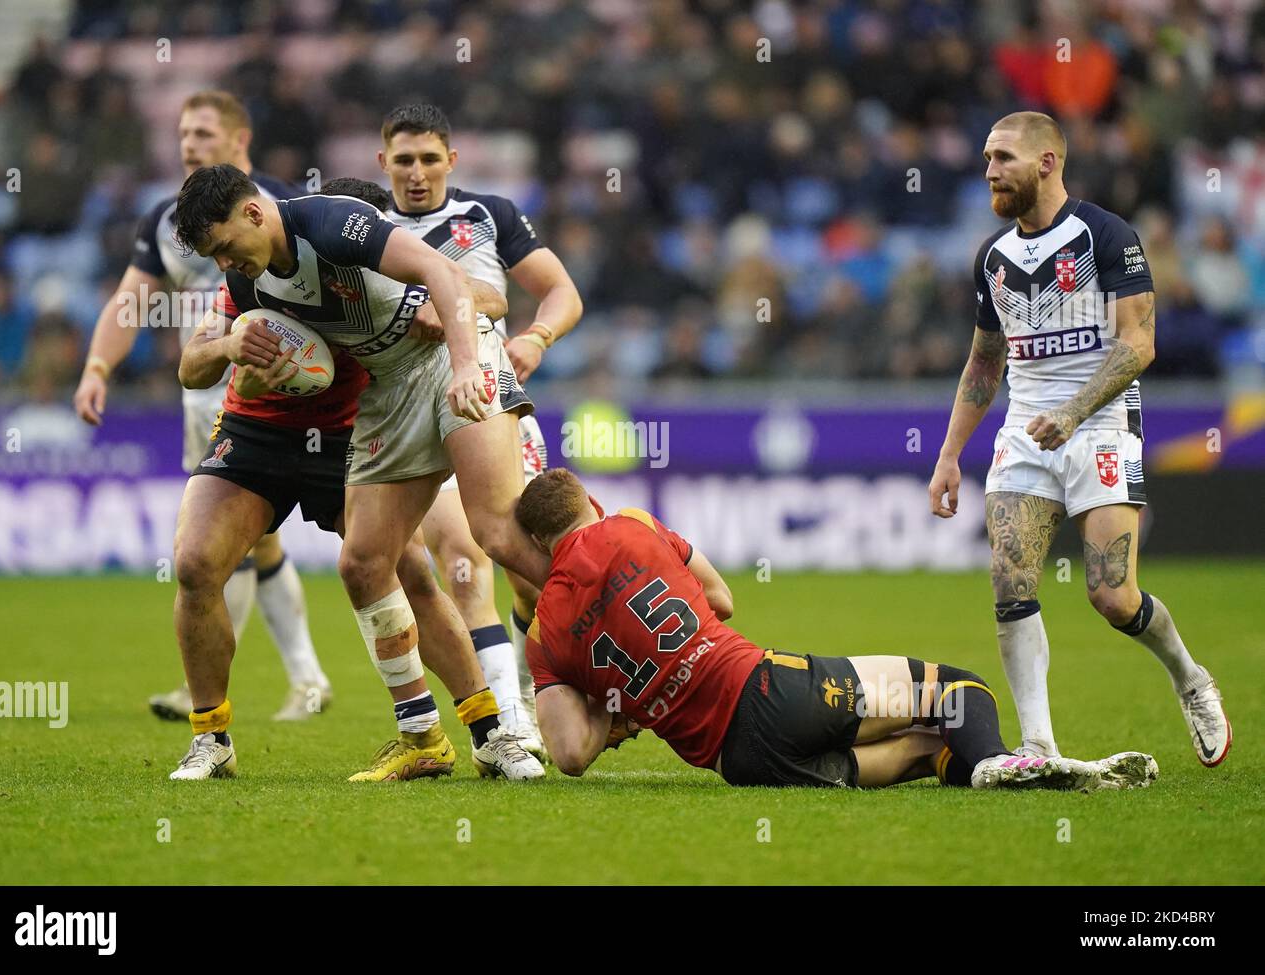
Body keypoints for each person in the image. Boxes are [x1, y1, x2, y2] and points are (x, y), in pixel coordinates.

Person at [172, 165, 554, 780]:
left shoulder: (340, 229)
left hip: (371, 415)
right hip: (272, 429)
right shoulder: (245, 281)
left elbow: (468, 287)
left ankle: (506, 720)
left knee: (464, 550)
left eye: (222, 249)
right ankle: (214, 740)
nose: (223, 264)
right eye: (212, 255)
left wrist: (459, 351)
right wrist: (227, 348)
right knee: (206, 563)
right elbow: (191, 364)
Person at [517, 469, 1157, 792]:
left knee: (925, 745)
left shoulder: (546, 631)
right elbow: (722, 599)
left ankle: (985, 770)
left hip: (736, 763)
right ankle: (998, 763)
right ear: (589, 506)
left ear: (543, 547)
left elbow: (571, 752)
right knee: (959, 692)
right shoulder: (629, 522)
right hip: (767, 690)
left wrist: (627, 709)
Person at [927, 111, 1231, 766]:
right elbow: (984, 363)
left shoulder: (1107, 235)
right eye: (985, 157)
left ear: (1046, 162)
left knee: (1111, 595)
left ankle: (1188, 675)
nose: (989, 171)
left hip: (1100, 422)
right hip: (1025, 430)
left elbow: (1139, 342)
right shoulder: (992, 257)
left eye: (1003, 157)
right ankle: (1039, 743)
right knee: (1010, 579)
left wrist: (1071, 411)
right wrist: (950, 454)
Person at [71, 90, 330, 722]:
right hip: (201, 394)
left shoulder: (277, 206)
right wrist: (98, 366)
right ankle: (306, 680)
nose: (189, 143)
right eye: (184, 132)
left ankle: (221, 691)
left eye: (204, 133)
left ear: (240, 141)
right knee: (253, 546)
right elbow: (130, 301)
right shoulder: (164, 220)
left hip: (273, 392)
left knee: (230, 546)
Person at [377, 104, 584, 755]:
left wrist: (538, 338)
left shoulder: (486, 214)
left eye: (429, 158)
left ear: (451, 161)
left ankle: (526, 686)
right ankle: (507, 723)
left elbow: (560, 291)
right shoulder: (367, 227)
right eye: (403, 159)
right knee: (464, 562)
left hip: (491, 399)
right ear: (383, 162)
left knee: (523, 568)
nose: (416, 173)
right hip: (410, 415)